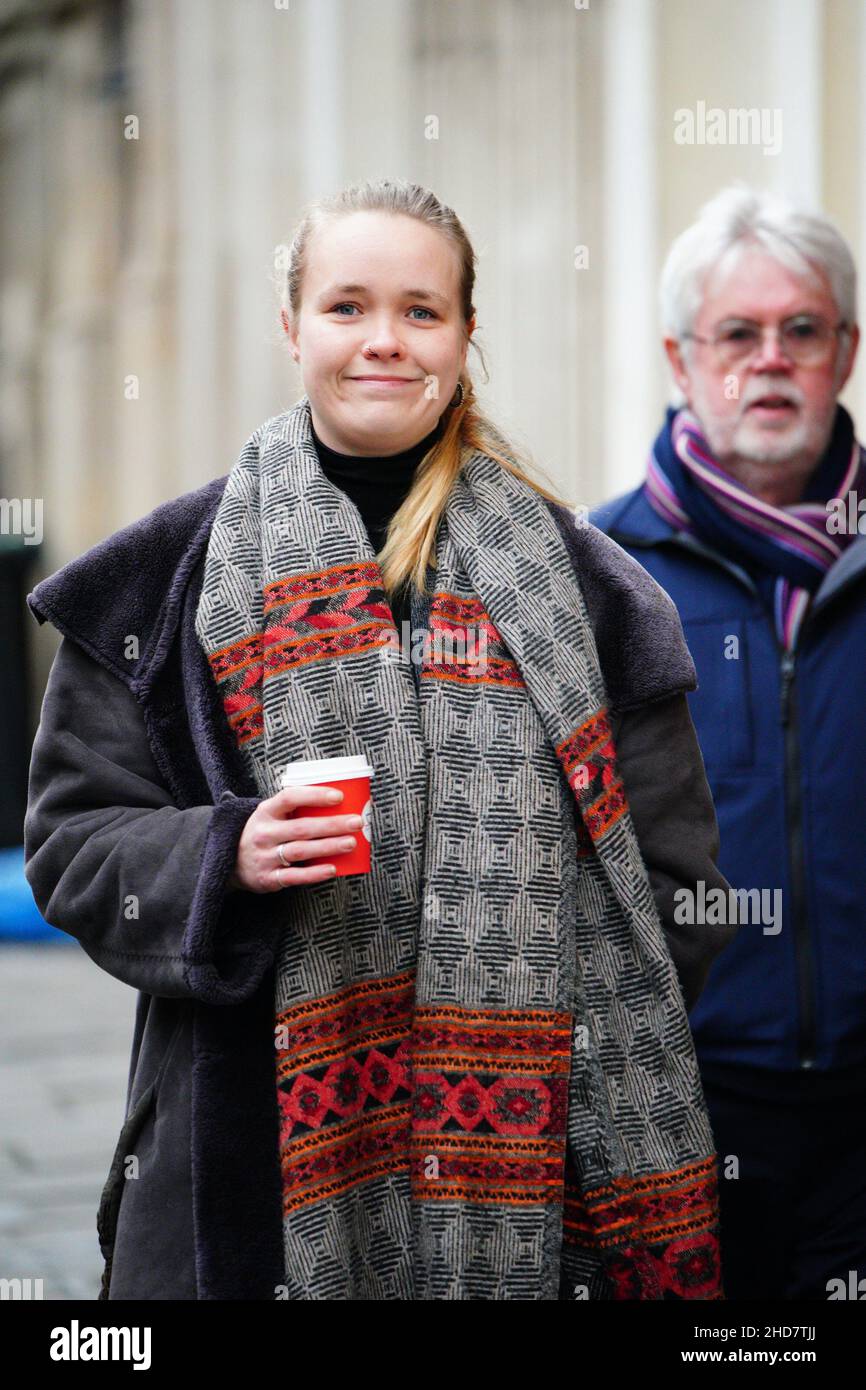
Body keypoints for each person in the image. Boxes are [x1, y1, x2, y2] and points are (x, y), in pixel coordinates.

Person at [24, 178, 734, 1302]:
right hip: (240, 1160)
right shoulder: (156, 581)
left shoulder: (591, 592)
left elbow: (677, 884)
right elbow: (71, 840)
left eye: (420, 310)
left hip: (529, 1176)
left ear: (463, 336)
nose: (383, 343)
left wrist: (518, 1014)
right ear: (291, 325)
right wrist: (228, 857)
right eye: (347, 307)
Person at [591, 185, 866, 1301]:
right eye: (735, 334)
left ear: (843, 351)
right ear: (679, 358)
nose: (768, 362)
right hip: (678, 1093)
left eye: (799, 330)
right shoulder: (599, 568)